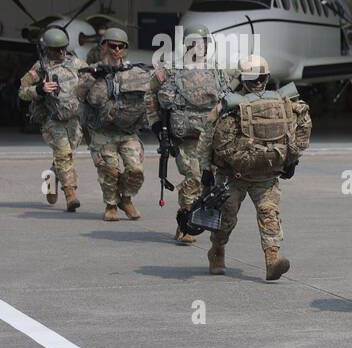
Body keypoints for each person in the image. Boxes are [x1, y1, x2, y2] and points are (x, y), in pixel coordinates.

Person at [196, 55, 312, 281]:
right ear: (242, 79)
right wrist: (205, 169)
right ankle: (217, 251)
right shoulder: (229, 105)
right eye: (251, 78)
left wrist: (291, 159)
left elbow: (298, 129)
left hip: (265, 175)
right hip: (233, 175)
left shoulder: (281, 104)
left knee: (269, 214)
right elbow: (208, 136)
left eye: (261, 78)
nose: (257, 83)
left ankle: (272, 261)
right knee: (226, 220)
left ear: (267, 78)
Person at [147, 26, 225, 244]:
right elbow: (150, 94)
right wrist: (155, 124)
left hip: (211, 138)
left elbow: (225, 100)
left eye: (205, 42)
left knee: (210, 182)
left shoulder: (216, 71)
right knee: (193, 178)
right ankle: (186, 225)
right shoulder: (170, 71)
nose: (201, 47)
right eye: (197, 42)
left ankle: (204, 221)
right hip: (185, 138)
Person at [77, 26, 149, 221]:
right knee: (109, 170)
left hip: (127, 131)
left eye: (121, 46)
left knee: (136, 170)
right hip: (102, 131)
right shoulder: (91, 71)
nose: (117, 50)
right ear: (103, 46)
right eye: (112, 45)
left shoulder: (133, 71)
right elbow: (79, 95)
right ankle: (111, 205)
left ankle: (125, 199)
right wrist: (94, 77)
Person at [16, 27, 85, 211]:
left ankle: (50, 178)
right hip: (52, 120)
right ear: (47, 49)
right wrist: (39, 89)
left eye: (63, 48)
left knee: (67, 155)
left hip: (74, 119)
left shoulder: (76, 63)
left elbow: (90, 78)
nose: (61, 52)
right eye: (56, 49)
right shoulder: (40, 68)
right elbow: (22, 91)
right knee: (64, 155)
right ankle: (71, 195)